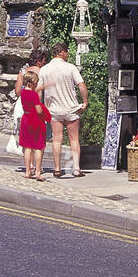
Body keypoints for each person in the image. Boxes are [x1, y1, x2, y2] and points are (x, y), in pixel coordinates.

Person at [39, 42, 88, 178]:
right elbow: (81, 85)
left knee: (57, 139)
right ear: (62, 52)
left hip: (54, 109)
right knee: (74, 139)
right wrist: (85, 101)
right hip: (71, 108)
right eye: (66, 52)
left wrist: (41, 107)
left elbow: (40, 91)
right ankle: (76, 168)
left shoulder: (44, 70)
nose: (68, 55)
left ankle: (57, 168)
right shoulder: (70, 68)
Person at [18, 66, 50, 180]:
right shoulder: (34, 95)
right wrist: (43, 108)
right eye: (36, 83)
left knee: (27, 147)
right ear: (31, 83)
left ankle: (27, 171)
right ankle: (37, 172)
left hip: (25, 119)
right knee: (38, 147)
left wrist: (44, 86)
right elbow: (38, 110)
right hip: (35, 121)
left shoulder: (23, 93)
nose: (37, 85)